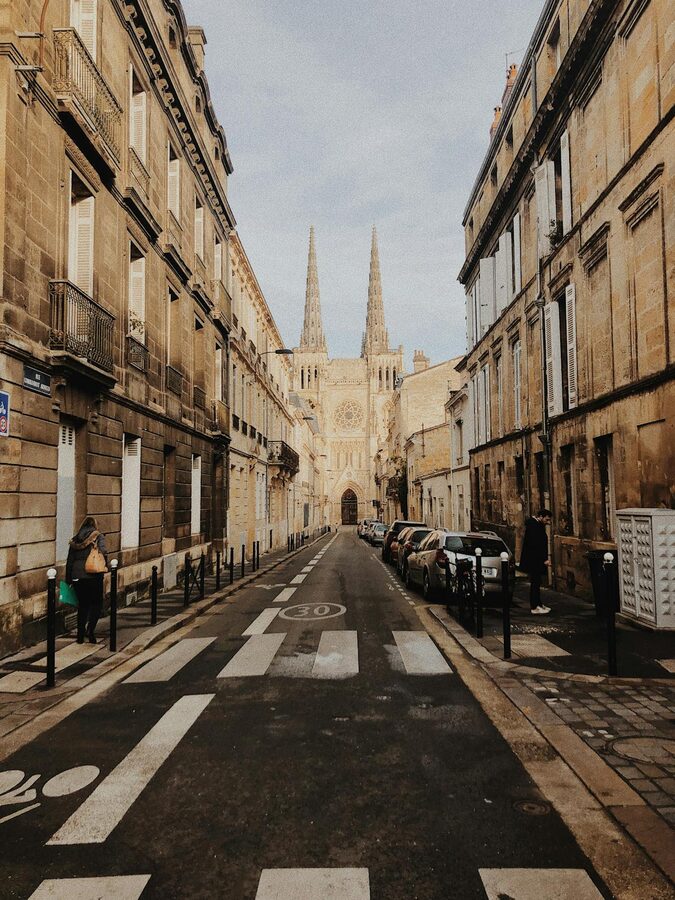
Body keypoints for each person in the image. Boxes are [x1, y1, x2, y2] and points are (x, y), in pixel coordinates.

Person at [66, 516, 109, 643]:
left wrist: (69, 579)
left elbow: (70, 561)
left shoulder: (75, 539)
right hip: (93, 575)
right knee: (96, 604)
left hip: (77, 576)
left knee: (83, 605)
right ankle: (90, 630)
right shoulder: (98, 536)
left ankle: (80, 635)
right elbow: (103, 552)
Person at [520, 509, 552, 615]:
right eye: (547, 519)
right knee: (535, 583)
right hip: (534, 561)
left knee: (537, 582)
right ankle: (534, 606)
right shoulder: (534, 526)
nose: (548, 522)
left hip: (536, 560)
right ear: (541, 516)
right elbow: (536, 545)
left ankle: (538, 604)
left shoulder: (536, 525)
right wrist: (544, 559)